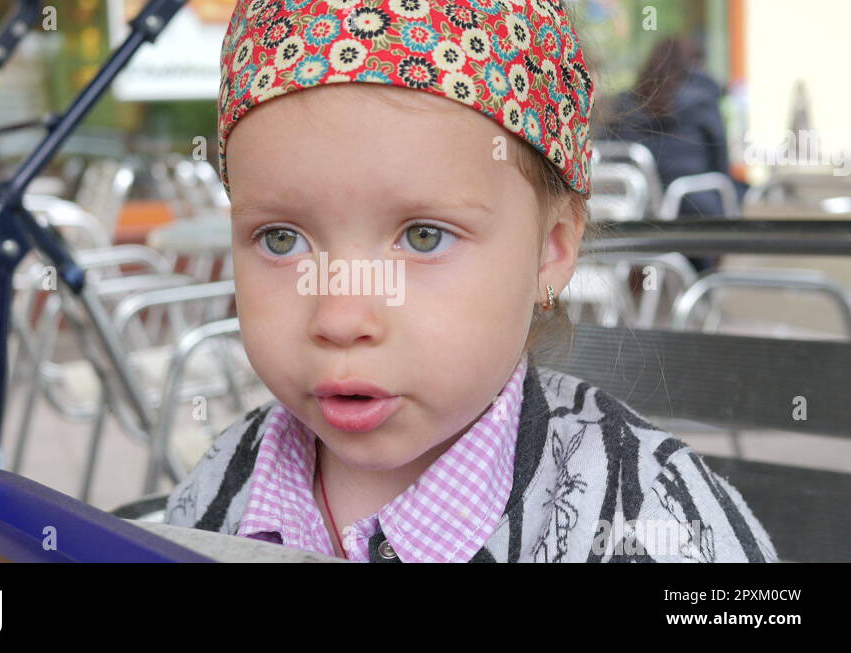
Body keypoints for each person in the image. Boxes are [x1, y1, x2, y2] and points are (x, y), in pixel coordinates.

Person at [165, 0, 777, 563]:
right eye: (281, 239)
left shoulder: (656, 519)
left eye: (424, 237)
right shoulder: (223, 477)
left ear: (551, 249)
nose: (340, 316)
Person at [602, 36, 734, 274]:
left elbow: (608, 153)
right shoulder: (702, 102)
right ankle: (702, 288)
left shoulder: (625, 105)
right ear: (692, 64)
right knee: (725, 194)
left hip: (637, 207)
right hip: (691, 206)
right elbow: (721, 163)